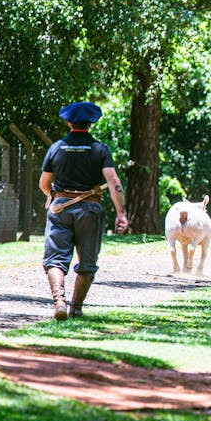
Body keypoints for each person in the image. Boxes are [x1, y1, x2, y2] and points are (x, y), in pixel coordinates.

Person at [38, 101, 129, 320]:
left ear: (69, 122)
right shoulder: (99, 149)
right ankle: (76, 307)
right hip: (90, 209)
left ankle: (59, 301)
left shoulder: (56, 147)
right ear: (91, 123)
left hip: (60, 208)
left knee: (55, 260)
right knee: (87, 262)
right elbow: (113, 181)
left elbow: (43, 183)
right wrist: (121, 214)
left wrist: (52, 197)